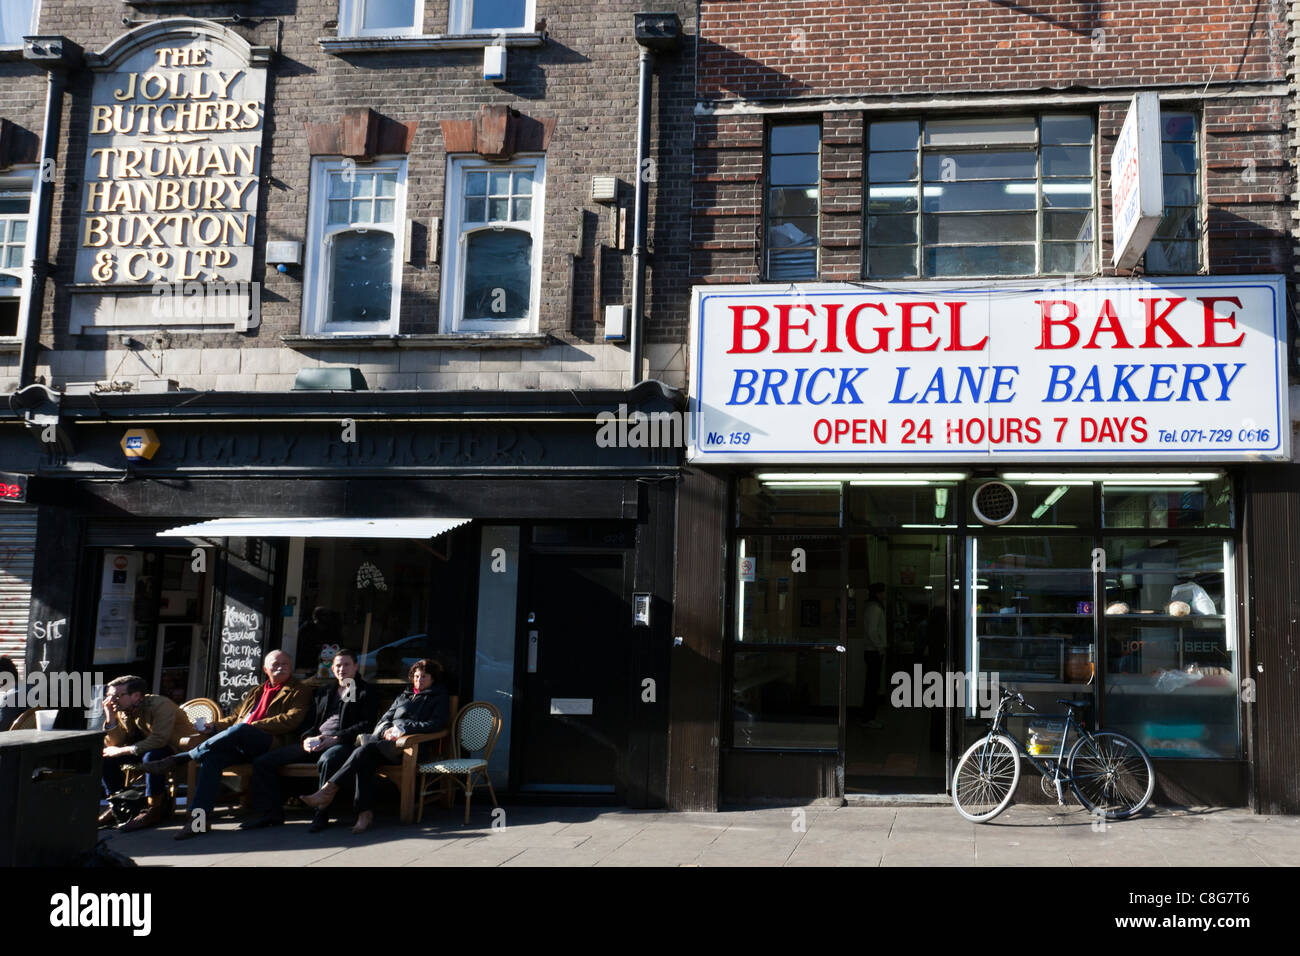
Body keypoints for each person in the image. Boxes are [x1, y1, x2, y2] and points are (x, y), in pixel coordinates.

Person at [146, 649, 311, 840]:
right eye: (276, 664)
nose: (281, 668)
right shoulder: (257, 691)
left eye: (285, 664)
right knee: (212, 759)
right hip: (242, 743)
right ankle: (199, 822)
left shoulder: (300, 690)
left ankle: (184, 756)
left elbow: (291, 720)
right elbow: (234, 718)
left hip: (272, 743)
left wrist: (250, 727)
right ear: (265, 669)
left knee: (241, 729)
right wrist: (213, 726)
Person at [301, 658, 448, 834]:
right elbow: (385, 718)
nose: (419, 680)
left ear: (433, 679)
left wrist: (403, 728)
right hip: (386, 745)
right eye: (416, 676)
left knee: (364, 752)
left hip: (411, 748)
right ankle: (364, 814)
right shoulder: (405, 695)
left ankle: (328, 791)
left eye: (424, 676)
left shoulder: (438, 697)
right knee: (364, 757)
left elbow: (437, 724)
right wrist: (386, 730)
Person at [241, 647, 378, 832]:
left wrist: (336, 738)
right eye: (338, 665)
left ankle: (321, 815)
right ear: (332, 668)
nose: (341, 669)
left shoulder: (363, 691)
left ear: (355, 666)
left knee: (328, 759)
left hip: (343, 743)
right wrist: (307, 738)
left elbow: (366, 724)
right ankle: (270, 813)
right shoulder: (325, 691)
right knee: (264, 762)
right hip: (316, 741)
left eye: (346, 665)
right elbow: (309, 722)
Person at [99, 674, 196, 831]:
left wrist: (122, 751)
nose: (112, 700)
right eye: (109, 695)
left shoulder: (161, 705)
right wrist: (111, 718)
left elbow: (160, 740)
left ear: (136, 696)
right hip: (145, 747)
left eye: (117, 695)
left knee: (152, 757)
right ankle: (119, 803)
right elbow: (114, 743)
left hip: (177, 747)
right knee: (105, 757)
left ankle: (153, 809)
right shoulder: (123, 709)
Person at [862, 582, 887, 729]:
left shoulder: (871, 607)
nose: (884, 595)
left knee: (872, 685)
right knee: (872, 686)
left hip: (871, 651)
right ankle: (868, 718)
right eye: (882, 592)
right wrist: (880, 648)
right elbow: (872, 631)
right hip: (874, 652)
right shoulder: (875, 608)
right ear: (878, 593)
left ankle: (869, 717)